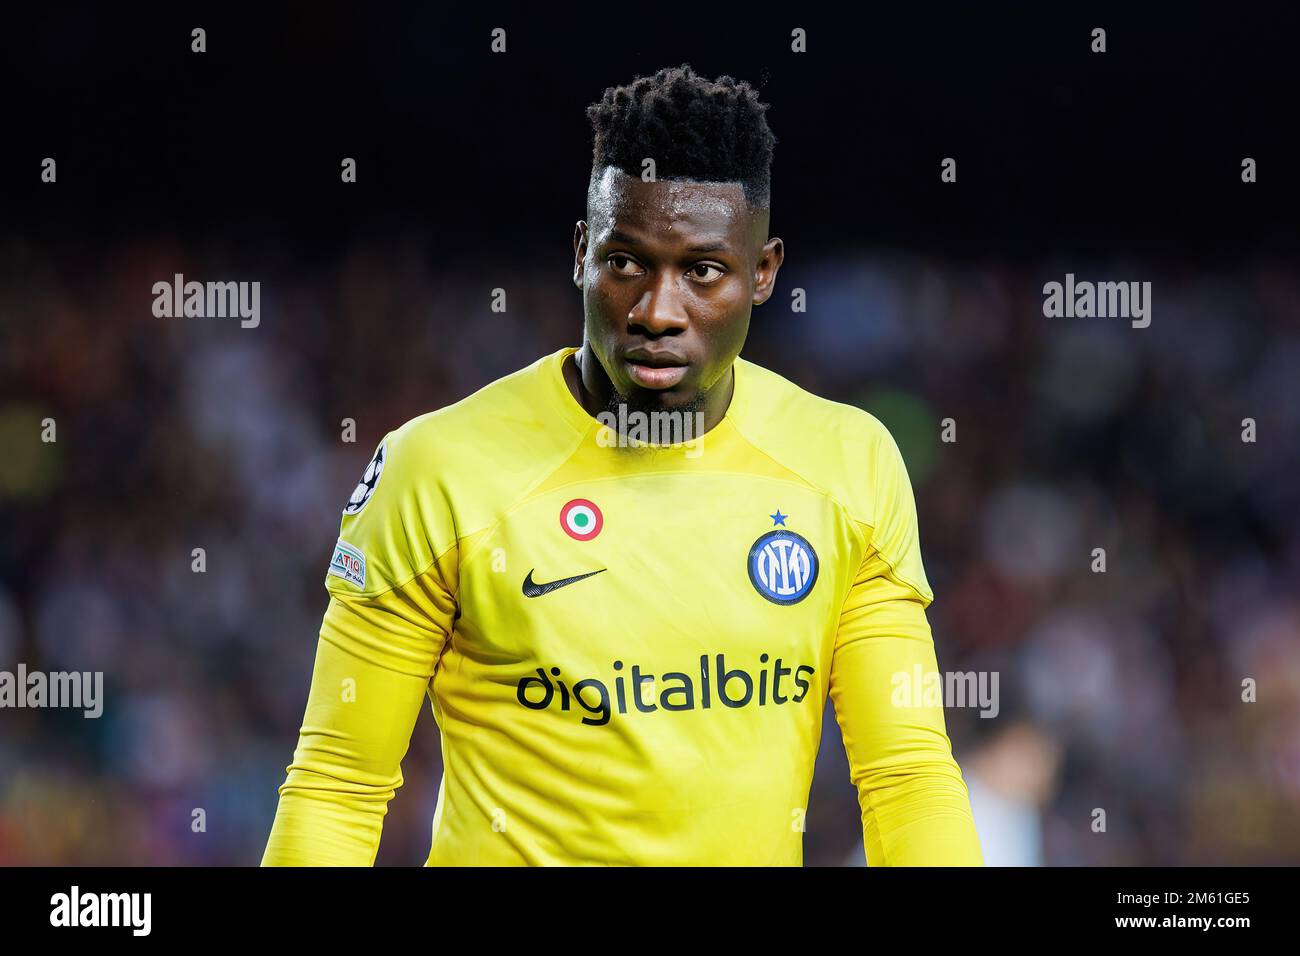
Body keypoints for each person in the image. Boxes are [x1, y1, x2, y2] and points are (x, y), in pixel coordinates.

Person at [262, 63, 982, 866]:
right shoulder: (436, 471)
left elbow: (907, 778)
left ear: (765, 272)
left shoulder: (849, 464)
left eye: (703, 271)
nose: (656, 312)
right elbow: (339, 784)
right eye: (626, 263)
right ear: (581, 253)